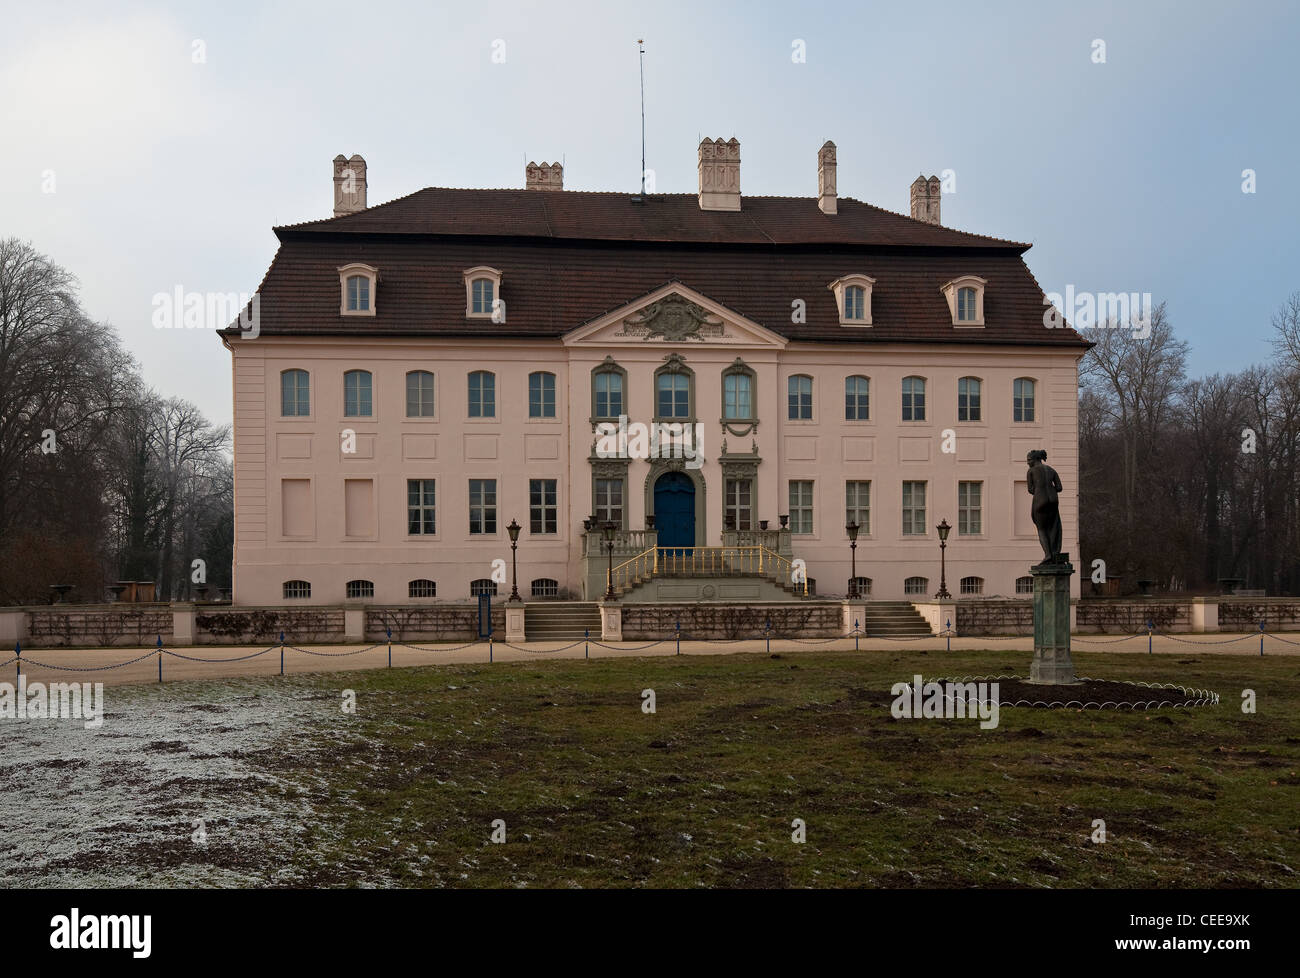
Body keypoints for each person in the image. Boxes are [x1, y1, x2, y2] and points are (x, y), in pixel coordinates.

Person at [1026, 449, 1063, 562]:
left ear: (1036, 459)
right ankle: (1054, 552)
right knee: (1052, 528)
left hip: (1040, 500)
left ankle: (1048, 554)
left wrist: (1039, 490)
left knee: (1041, 529)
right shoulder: (1051, 470)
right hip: (1053, 500)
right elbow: (1059, 488)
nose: (1027, 462)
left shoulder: (1031, 471)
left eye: (1029, 460)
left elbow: (1030, 489)